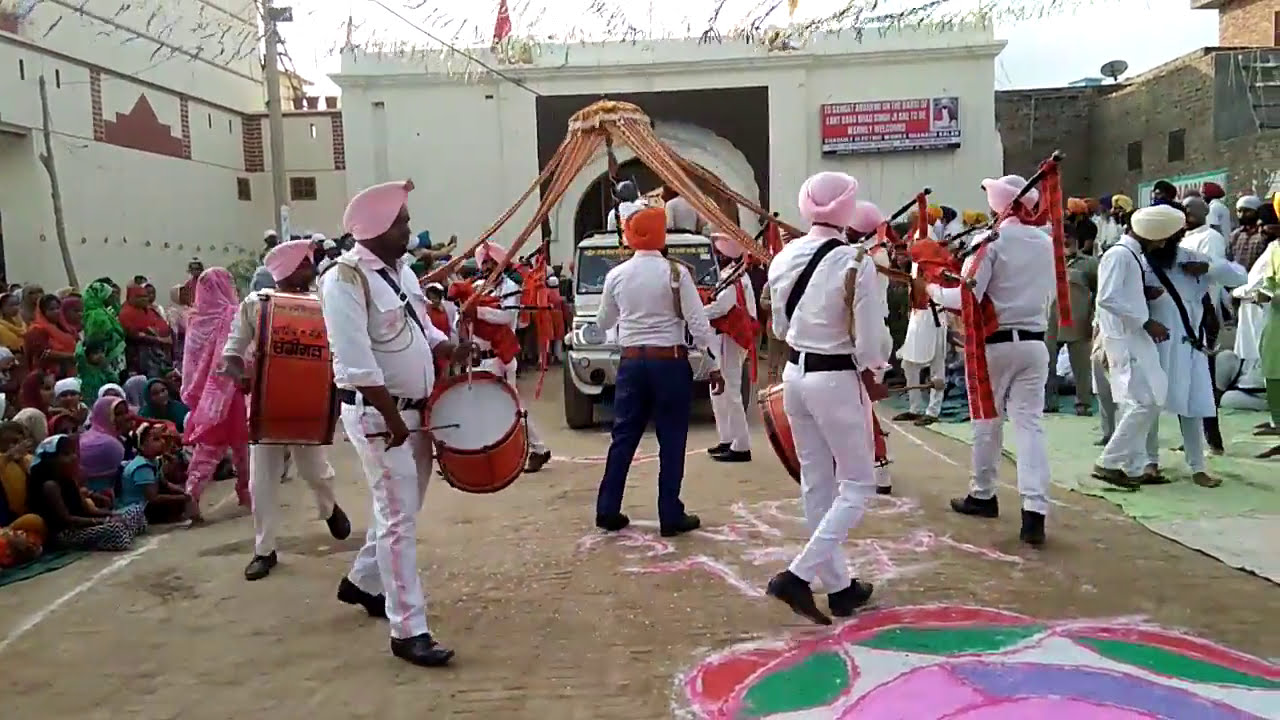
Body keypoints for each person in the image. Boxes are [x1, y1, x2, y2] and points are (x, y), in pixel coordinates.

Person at [322, 179, 464, 667]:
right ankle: (409, 630)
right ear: (378, 228)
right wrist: (388, 415)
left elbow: (420, 328)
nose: (408, 229)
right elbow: (354, 360)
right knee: (399, 519)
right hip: (380, 415)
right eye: (401, 222)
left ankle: (363, 582)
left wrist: (444, 344)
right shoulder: (343, 279)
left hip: (410, 413)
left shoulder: (399, 273)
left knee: (400, 508)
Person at [764, 171, 887, 625]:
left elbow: (778, 328)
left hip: (795, 374)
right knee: (858, 485)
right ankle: (798, 576)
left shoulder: (784, 257)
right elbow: (871, 347)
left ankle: (840, 588)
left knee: (817, 483)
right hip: (835, 378)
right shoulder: (857, 262)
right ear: (847, 211)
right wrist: (881, 365)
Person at [919, 175, 1059, 548]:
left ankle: (983, 494)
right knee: (1030, 427)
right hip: (1034, 343)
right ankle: (1035, 512)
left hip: (995, 345)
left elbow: (965, 298)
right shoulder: (1046, 243)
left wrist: (928, 285)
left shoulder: (990, 242)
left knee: (986, 420)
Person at [222, 238, 350, 581]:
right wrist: (242, 376)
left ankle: (329, 507)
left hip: (307, 402)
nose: (311, 270)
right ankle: (264, 550)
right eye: (306, 264)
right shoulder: (256, 305)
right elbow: (232, 353)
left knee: (315, 471)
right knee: (261, 480)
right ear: (289, 269)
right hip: (267, 407)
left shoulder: (324, 303)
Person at [593, 206, 721, 537]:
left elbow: (603, 322)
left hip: (632, 363)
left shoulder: (617, 275)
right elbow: (698, 323)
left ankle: (607, 509)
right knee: (672, 438)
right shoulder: (677, 273)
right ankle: (670, 514)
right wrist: (713, 362)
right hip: (670, 361)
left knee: (623, 437)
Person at [1140, 214, 1246, 487]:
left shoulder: (1192, 258)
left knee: (1192, 405)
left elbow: (1239, 276)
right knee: (1149, 405)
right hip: (1155, 345)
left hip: (1189, 345)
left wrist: (1209, 268)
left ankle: (1197, 466)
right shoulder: (1140, 261)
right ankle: (1149, 462)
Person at [1093, 205, 1181, 489]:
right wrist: (1145, 321)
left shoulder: (1130, 255)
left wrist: (1142, 293)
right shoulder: (1119, 255)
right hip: (1125, 337)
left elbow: (1119, 293)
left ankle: (1133, 467)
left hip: (1130, 336)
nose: (1164, 242)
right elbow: (1107, 298)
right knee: (1146, 401)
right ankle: (1108, 463)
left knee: (1142, 400)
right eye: (1162, 236)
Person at [473, 241, 552, 471]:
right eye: (484, 262)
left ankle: (534, 449)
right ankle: (481, 454)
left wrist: (477, 310)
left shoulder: (509, 287)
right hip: (479, 358)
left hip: (501, 356)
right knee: (488, 406)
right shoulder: (478, 286)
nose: (487, 267)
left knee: (511, 406)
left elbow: (507, 318)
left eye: (491, 262)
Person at [181, 269, 250, 516]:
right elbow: (244, 352)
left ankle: (192, 492)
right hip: (233, 389)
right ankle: (247, 492)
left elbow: (190, 361)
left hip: (206, 396)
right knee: (244, 444)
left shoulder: (196, 319)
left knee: (208, 446)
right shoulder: (233, 315)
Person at [26, 435, 147, 551]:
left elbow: (88, 511)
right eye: (66, 454)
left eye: (73, 452)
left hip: (83, 525)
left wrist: (111, 514)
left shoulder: (69, 481)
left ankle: (124, 530)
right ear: (50, 461)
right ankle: (123, 532)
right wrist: (104, 521)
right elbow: (67, 520)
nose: (74, 457)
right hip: (66, 533)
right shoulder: (50, 486)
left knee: (136, 511)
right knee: (116, 529)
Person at [704, 232, 758, 463]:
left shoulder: (735, 278)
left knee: (731, 390)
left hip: (731, 337)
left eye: (719, 252)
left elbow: (723, 307)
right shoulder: (731, 275)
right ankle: (727, 438)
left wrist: (697, 314)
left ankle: (741, 445)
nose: (716, 256)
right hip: (724, 336)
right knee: (720, 391)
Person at [1053, 219, 1100, 416]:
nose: (1065, 242)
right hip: (1051, 322)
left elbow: (1099, 292)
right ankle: (1048, 403)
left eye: (1068, 238)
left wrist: (1093, 318)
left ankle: (1083, 404)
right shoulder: (1048, 262)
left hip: (1079, 321)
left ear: (1076, 240)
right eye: (1060, 238)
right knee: (1046, 366)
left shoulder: (1090, 264)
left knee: (1082, 368)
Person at [117, 422, 193, 524]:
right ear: (143, 446)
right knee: (175, 503)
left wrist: (184, 491)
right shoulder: (142, 466)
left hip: (147, 502)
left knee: (182, 492)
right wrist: (182, 498)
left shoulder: (153, 461)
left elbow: (165, 483)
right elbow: (153, 498)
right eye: (156, 440)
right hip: (139, 507)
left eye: (161, 438)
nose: (162, 442)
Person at [78, 395, 130, 499]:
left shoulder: (88, 435)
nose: (125, 417)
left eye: (125, 413)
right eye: (118, 414)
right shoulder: (109, 443)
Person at [119, 283, 174, 378]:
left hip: (157, 352)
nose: (145, 299)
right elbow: (134, 334)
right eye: (140, 297)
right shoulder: (126, 313)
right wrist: (159, 339)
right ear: (131, 298)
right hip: (138, 356)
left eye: (145, 296)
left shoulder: (149, 310)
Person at [80, 281, 127, 378]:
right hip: (107, 356)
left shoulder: (103, 311)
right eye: (109, 295)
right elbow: (99, 337)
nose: (111, 298)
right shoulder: (97, 315)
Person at [23, 294, 77, 377]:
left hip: (69, 368)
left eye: (58, 308)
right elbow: (43, 353)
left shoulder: (64, 326)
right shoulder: (37, 329)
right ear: (43, 312)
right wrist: (70, 356)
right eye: (51, 309)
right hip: (49, 374)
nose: (56, 311)